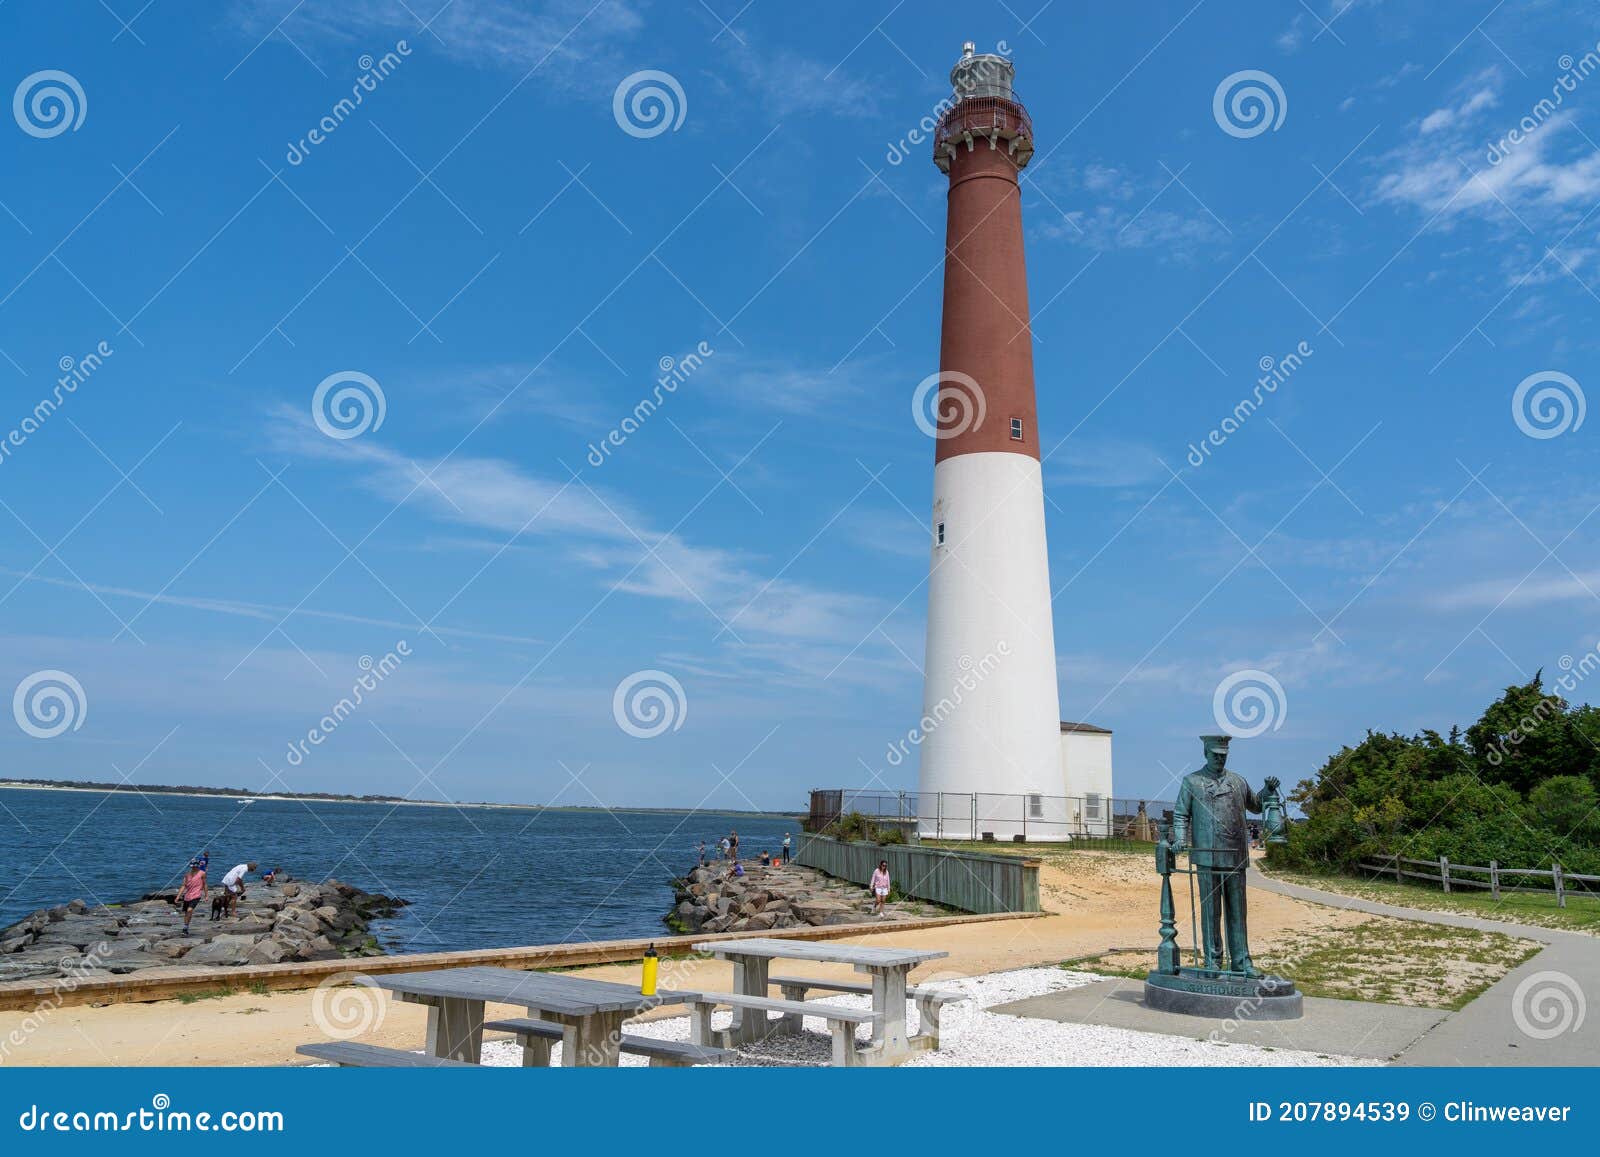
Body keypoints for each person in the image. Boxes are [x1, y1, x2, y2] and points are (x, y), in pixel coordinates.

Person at [177, 860, 207, 935]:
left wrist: (206, 895)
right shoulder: (187, 875)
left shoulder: (202, 873)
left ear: (198, 866)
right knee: (186, 913)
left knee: (189, 910)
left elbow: (205, 884)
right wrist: (178, 896)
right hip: (187, 896)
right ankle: (185, 928)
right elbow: (183, 886)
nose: (193, 868)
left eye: (195, 866)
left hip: (197, 895)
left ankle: (185, 927)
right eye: (192, 866)